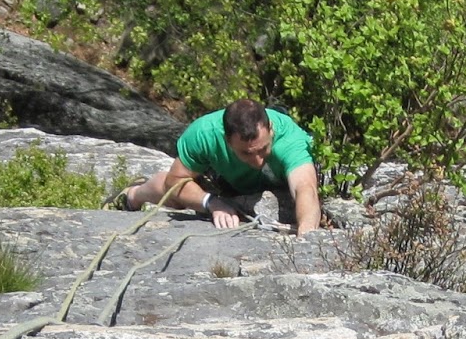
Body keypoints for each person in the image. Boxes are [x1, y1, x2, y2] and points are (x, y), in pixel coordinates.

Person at [116, 98, 321, 237]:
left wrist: (306, 237)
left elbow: (305, 188)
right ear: (227, 140)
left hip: (268, 183)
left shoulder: (289, 138)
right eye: (246, 153)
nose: (258, 160)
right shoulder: (204, 133)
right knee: (174, 197)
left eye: (263, 149)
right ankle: (134, 195)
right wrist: (212, 203)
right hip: (223, 180)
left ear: (271, 131)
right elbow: (175, 181)